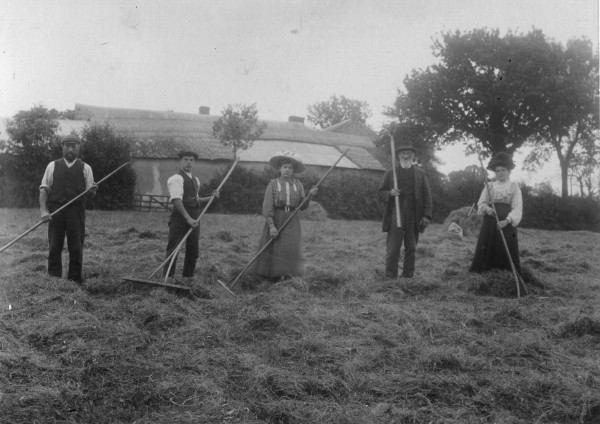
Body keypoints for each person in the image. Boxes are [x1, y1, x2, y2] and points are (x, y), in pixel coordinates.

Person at [39, 134, 97, 283]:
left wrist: (92, 191)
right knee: (54, 246)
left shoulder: (86, 168)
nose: (70, 149)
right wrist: (43, 210)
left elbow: (90, 194)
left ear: (78, 148)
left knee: (76, 248)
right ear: (62, 148)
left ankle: (74, 280)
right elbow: (44, 190)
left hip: (76, 213)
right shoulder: (52, 166)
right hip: (56, 212)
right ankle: (54, 278)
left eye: (74, 146)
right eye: (67, 146)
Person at [253, 151, 318, 280]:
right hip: (277, 218)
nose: (287, 170)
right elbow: (267, 206)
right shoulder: (272, 184)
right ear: (280, 169)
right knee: (275, 246)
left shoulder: (298, 185)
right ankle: (272, 276)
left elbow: (302, 206)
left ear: (293, 170)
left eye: (290, 168)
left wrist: (310, 195)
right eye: (285, 167)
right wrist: (271, 226)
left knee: (289, 246)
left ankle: (287, 274)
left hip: (292, 219)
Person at [378, 141, 432, 279]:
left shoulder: (420, 174)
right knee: (393, 249)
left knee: (411, 248)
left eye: (409, 154)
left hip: (414, 215)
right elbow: (380, 193)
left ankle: (408, 277)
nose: (406, 156)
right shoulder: (391, 173)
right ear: (398, 157)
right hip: (396, 213)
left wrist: (426, 215)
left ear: (413, 156)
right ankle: (390, 277)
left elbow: (427, 196)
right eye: (403, 154)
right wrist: (390, 193)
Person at [163, 150, 219, 279]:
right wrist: (188, 218)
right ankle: (167, 279)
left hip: (195, 218)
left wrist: (211, 197)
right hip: (180, 218)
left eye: (191, 160)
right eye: (186, 159)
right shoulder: (176, 179)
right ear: (180, 161)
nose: (189, 162)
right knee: (174, 249)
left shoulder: (196, 180)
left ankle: (187, 279)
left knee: (193, 250)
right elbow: (176, 200)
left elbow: (196, 199)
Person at [470, 152, 523, 274]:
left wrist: (507, 221)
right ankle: (486, 273)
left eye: (503, 170)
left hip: (506, 224)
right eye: (497, 171)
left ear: (509, 171)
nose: (500, 173)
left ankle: (505, 274)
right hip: (490, 222)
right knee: (489, 246)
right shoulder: (489, 186)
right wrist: (487, 209)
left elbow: (517, 207)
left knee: (504, 249)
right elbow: (481, 203)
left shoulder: (514, 187)